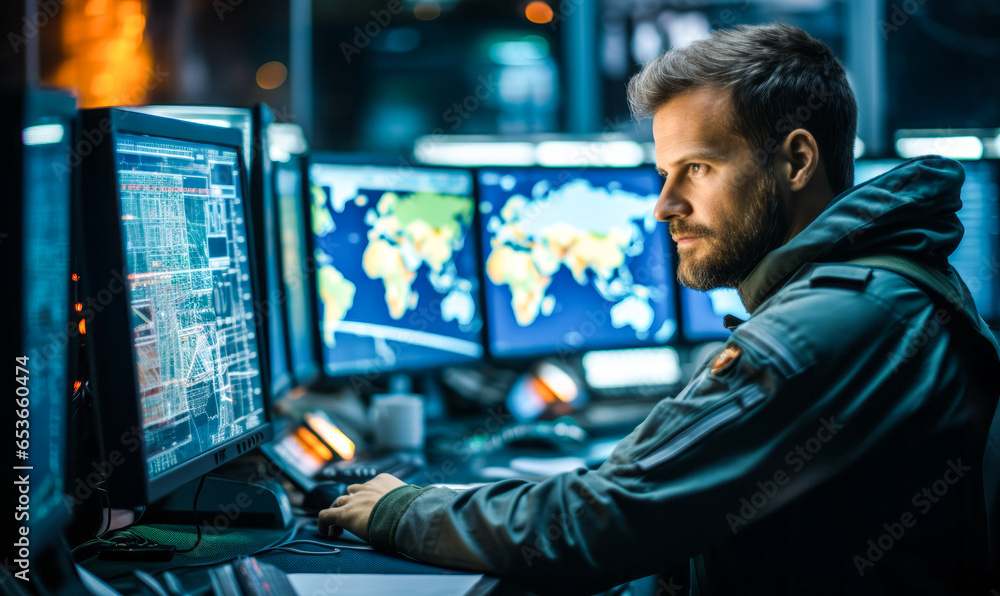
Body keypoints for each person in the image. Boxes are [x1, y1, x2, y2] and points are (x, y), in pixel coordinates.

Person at [319, 23, 1000, 594]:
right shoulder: (890, 284)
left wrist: (404, 507)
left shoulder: (837, 323)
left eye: (697, 169)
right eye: (663, 174)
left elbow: (605, 520)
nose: (664, 205)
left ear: (796, 161)